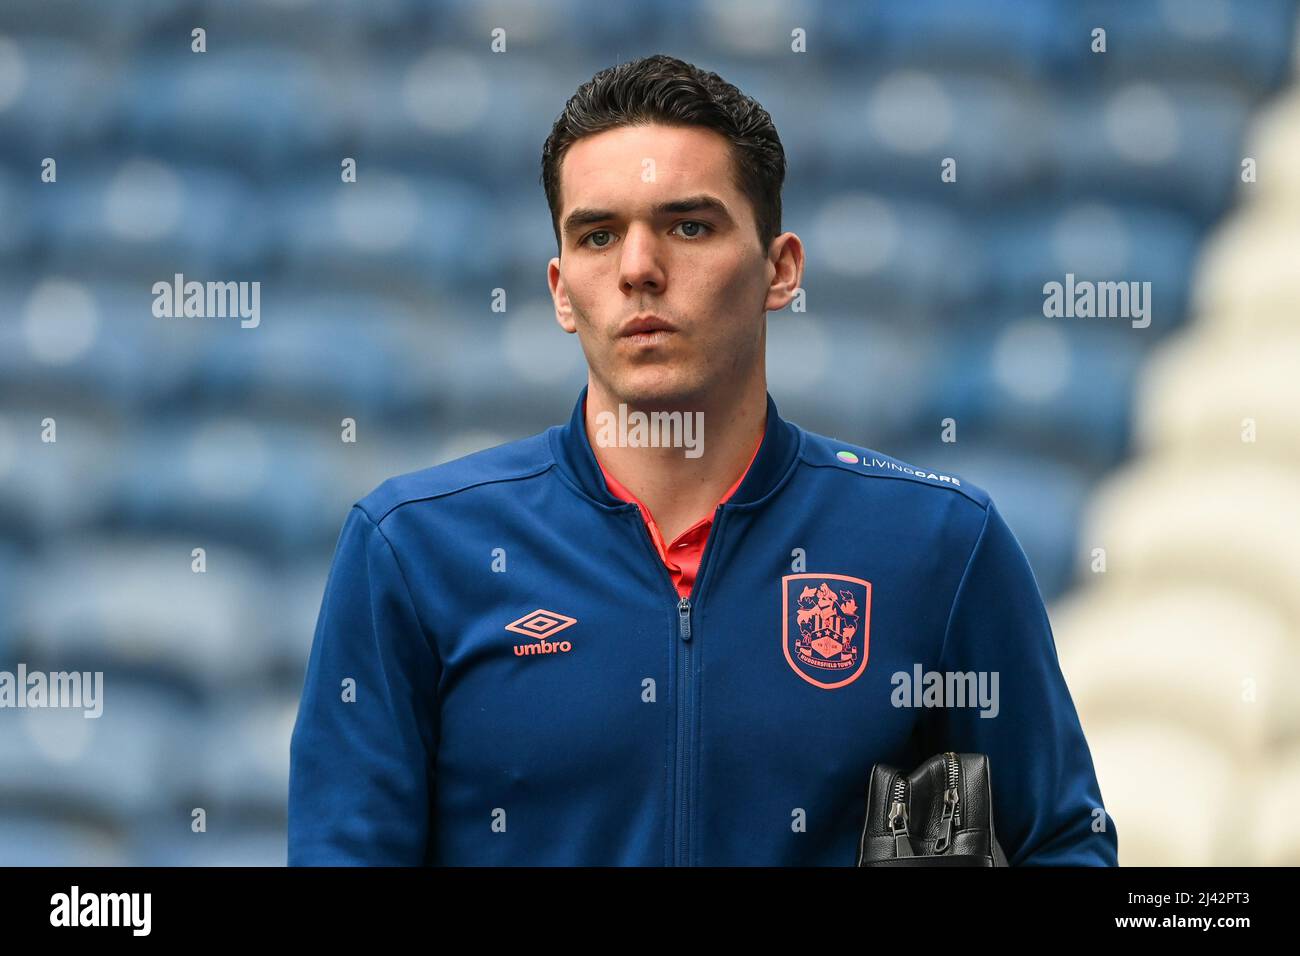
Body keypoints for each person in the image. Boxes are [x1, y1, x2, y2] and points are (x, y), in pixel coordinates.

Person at [288, 53, 1118, 866]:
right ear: (559, 290)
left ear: (780, 270)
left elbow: (1060, 842)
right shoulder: (414, 550)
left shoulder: (936, 545)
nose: (639, 270)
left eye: (689, 225)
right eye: (598, 235)